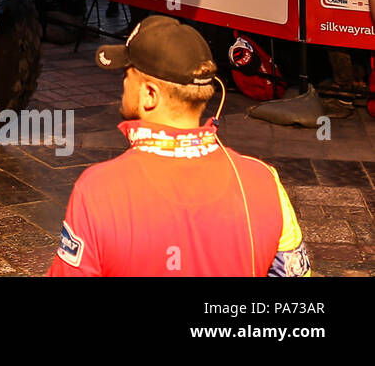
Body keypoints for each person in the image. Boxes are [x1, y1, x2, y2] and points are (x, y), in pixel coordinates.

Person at [48, 16, 310, 277]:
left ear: (150, 94)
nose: (123, 84)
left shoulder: (97, 189)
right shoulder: (264, 181)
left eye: (126, 74)